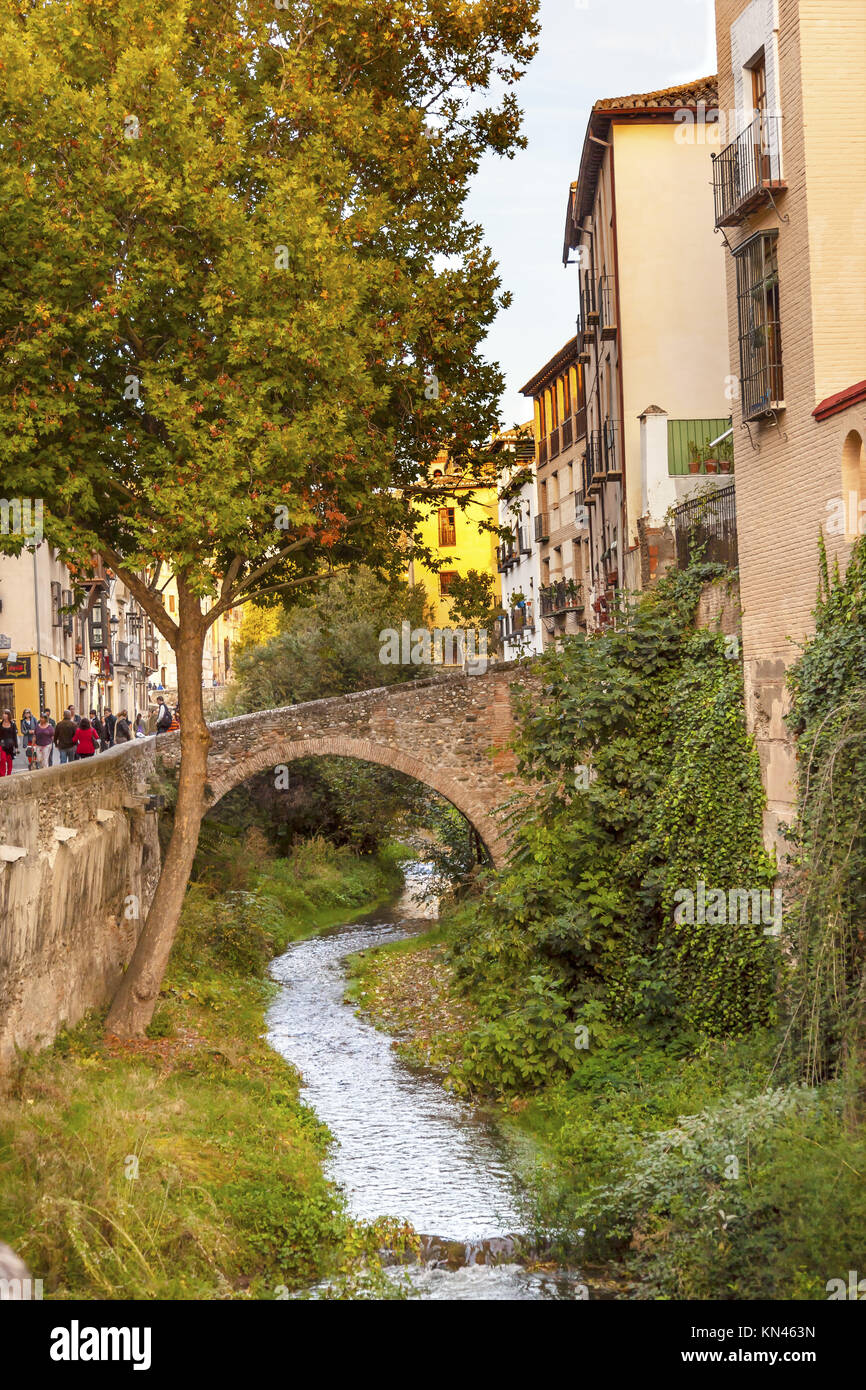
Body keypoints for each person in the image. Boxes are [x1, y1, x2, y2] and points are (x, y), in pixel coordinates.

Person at [0, 710, 18, 776]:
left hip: (10, 745)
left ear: (9, 715)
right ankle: (2, 775)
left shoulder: (13, 724)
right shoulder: (0, 724)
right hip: (2, 745)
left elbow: (15, 736)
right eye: (3, 713)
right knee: (2, 759)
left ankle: (9, 774)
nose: (4, 715)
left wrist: (16, 747)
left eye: (6, 714)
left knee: (9, 761)